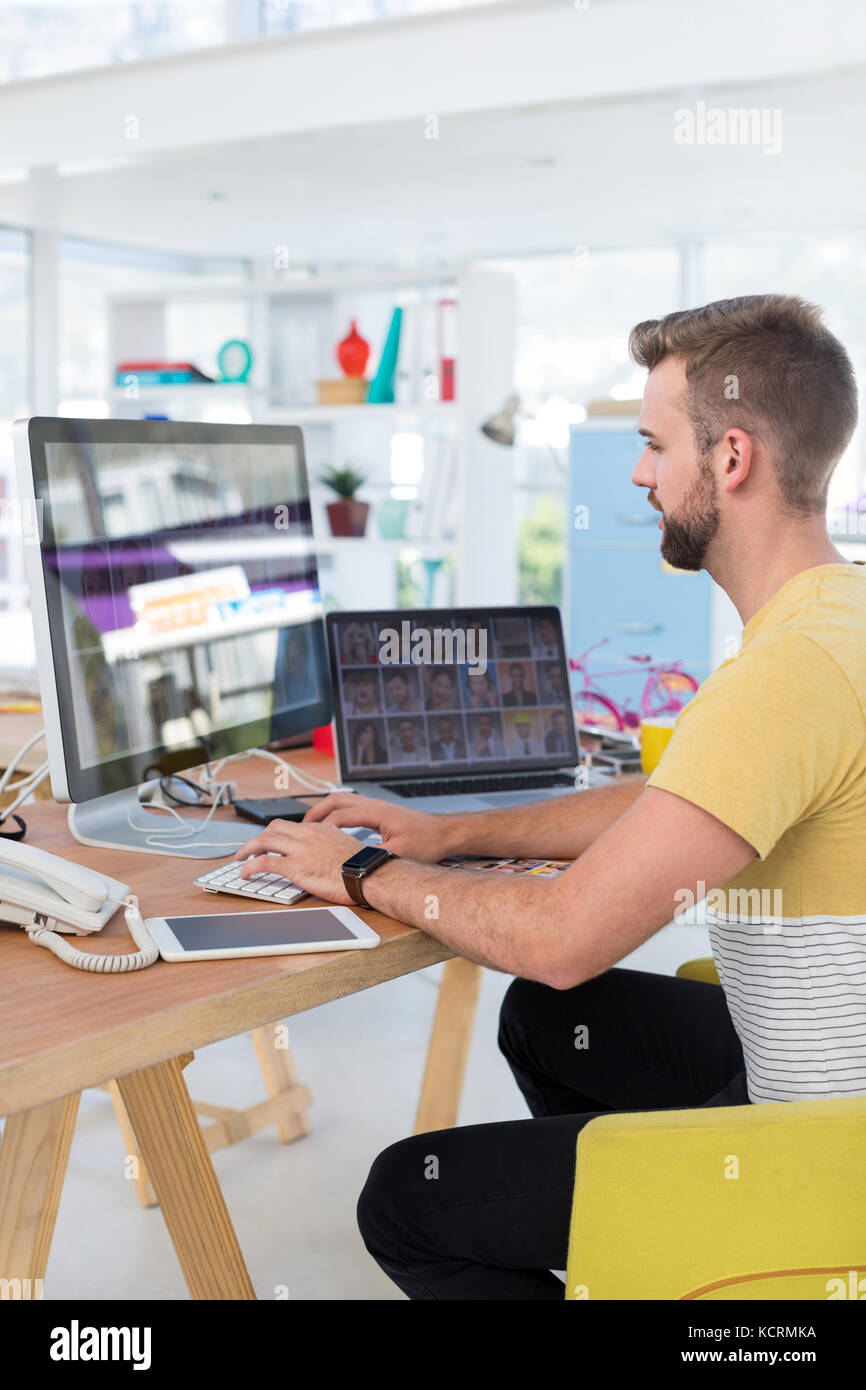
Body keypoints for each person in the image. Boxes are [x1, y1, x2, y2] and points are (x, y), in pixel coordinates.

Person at [237, 295, 866, 1299]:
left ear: (732, 458)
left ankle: (717, 1254)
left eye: (654, 444)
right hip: (806, 1080)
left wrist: (362, 872)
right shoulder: (831, 620)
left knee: (407, 1199)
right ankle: (644, 1247)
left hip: (826, 1155)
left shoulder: (789, 672)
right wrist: (451, 835)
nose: (637, 473)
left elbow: (565, 939)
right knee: (545, 1021)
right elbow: (670, 799)